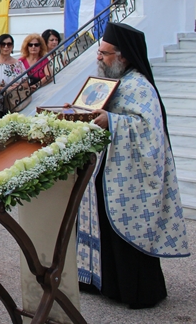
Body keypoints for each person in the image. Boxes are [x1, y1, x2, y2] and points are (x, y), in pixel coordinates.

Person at [77, 22, 189, 309]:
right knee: (104, 225)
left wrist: (112, 120)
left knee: (123, 230)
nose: (99, 58)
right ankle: (107, 283)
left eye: (104, 53)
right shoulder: (113, 82)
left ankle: (135, 290)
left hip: (130, 176)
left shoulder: (139, 86)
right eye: (99, 52)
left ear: (123, 56)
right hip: (108, 167)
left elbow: (148, 130)